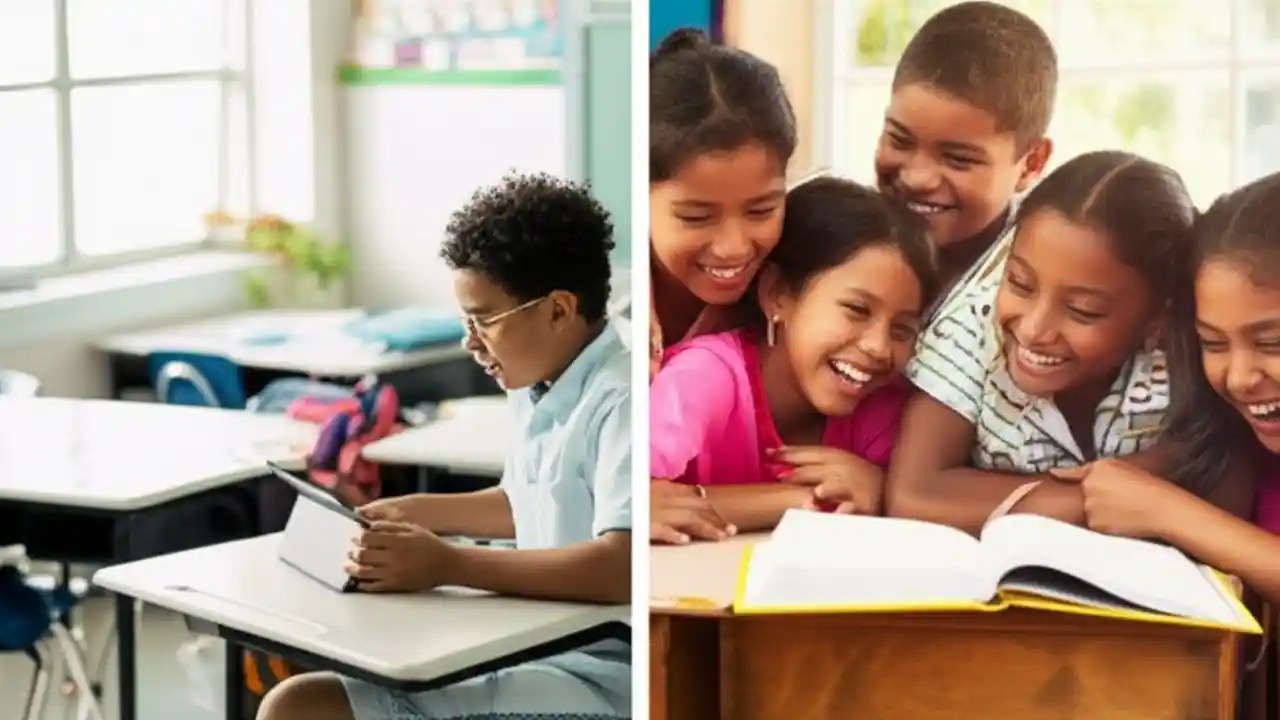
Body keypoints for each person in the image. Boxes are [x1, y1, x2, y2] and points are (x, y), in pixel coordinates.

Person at [257, 173, 631, 719]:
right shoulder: (539, 379)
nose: (469, 342)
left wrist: (449, 562)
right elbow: (527, 501)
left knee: (302, 708)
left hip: (600, 679)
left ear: (557, 310)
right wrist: (409, 513)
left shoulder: (620, 398)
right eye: (465, 321)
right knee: (302, 694)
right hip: (533, 644)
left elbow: (620, 565)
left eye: (484, 321)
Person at [887, 151, 1249, 535]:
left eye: (1082, 310)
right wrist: (1104, 497)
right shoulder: (972, 329)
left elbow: (1224, 499)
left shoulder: (1192, 353)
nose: (1032, 329)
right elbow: (915, 496)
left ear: (1157, 317)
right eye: (1020, 284)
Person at [651, 178, 939, 543]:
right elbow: (640, 501)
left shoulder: (881, 406)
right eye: (856, 310)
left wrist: (882, 487)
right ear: (778, 294)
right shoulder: (704, 377)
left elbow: (917, 501)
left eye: (902, 330)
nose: (879, 348)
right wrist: (797, 500)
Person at [1048, 172, 1280, 605]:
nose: (1239, 377)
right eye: (1213, 342)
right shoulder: (1243, 446)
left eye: (1272, 343)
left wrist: (1167, 512)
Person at [875, 1, 1057, 302]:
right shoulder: (839, 248)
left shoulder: (1036, 302)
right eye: (899, 140)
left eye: (958, 160)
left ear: (1031, 164)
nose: (917, 178)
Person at [649, 27, 797, 377]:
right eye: (697, 217)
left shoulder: (807, 282)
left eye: (762, 210)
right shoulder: (605, 316)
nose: (733, 247)